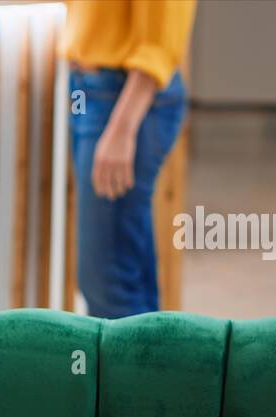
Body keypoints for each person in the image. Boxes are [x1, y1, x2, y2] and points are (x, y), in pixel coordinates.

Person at [62, 0, 198, 318]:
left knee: (108, 283)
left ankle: (136, 367)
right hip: (92, 90)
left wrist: (122, 128)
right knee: (123, 268)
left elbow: (163, 30)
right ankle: (154, 364)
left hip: (123, 97)